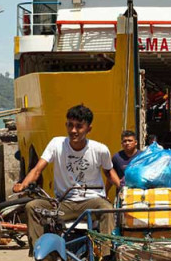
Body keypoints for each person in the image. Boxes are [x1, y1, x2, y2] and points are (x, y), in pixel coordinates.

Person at [14, 104, 121, 252]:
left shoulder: (100, 149)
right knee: (32, 207)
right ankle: (40, 256)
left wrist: (122, 187)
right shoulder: (56, 144)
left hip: (91, 202)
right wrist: (23, 184)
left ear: (89, 129)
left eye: (79, 126)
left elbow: (109, 172)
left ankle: (105, 259)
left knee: (107, 210)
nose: (73, 130)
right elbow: (38, 169)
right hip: (63, 203)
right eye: (70, 125)